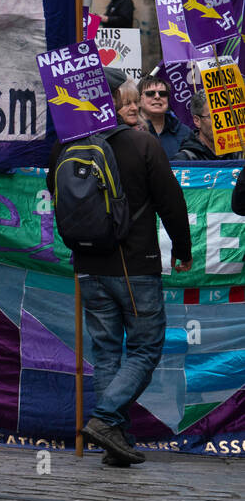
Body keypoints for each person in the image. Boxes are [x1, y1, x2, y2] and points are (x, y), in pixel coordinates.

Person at [47, 68, 193, 467]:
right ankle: (106, 419)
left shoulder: (67, 146)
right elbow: (171, 202)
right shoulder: (143, 144)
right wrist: (182, 249)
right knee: (145, 348)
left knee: (108, 350)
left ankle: (116, 441)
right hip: (134, 265)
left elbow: (55, 194)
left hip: (87, 263)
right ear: (113, 102)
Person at [175, 92, 241, 160]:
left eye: (225, 115)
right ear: (197, 121)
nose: (222, 122)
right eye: (214, 116)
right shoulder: (184, 161)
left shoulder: (240, 154)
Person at [138, 74, 191, 160]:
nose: (157, 97)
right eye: (150, 93)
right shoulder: (130, 131)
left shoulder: (184, 132)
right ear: (139, 100)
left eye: (163, 94)